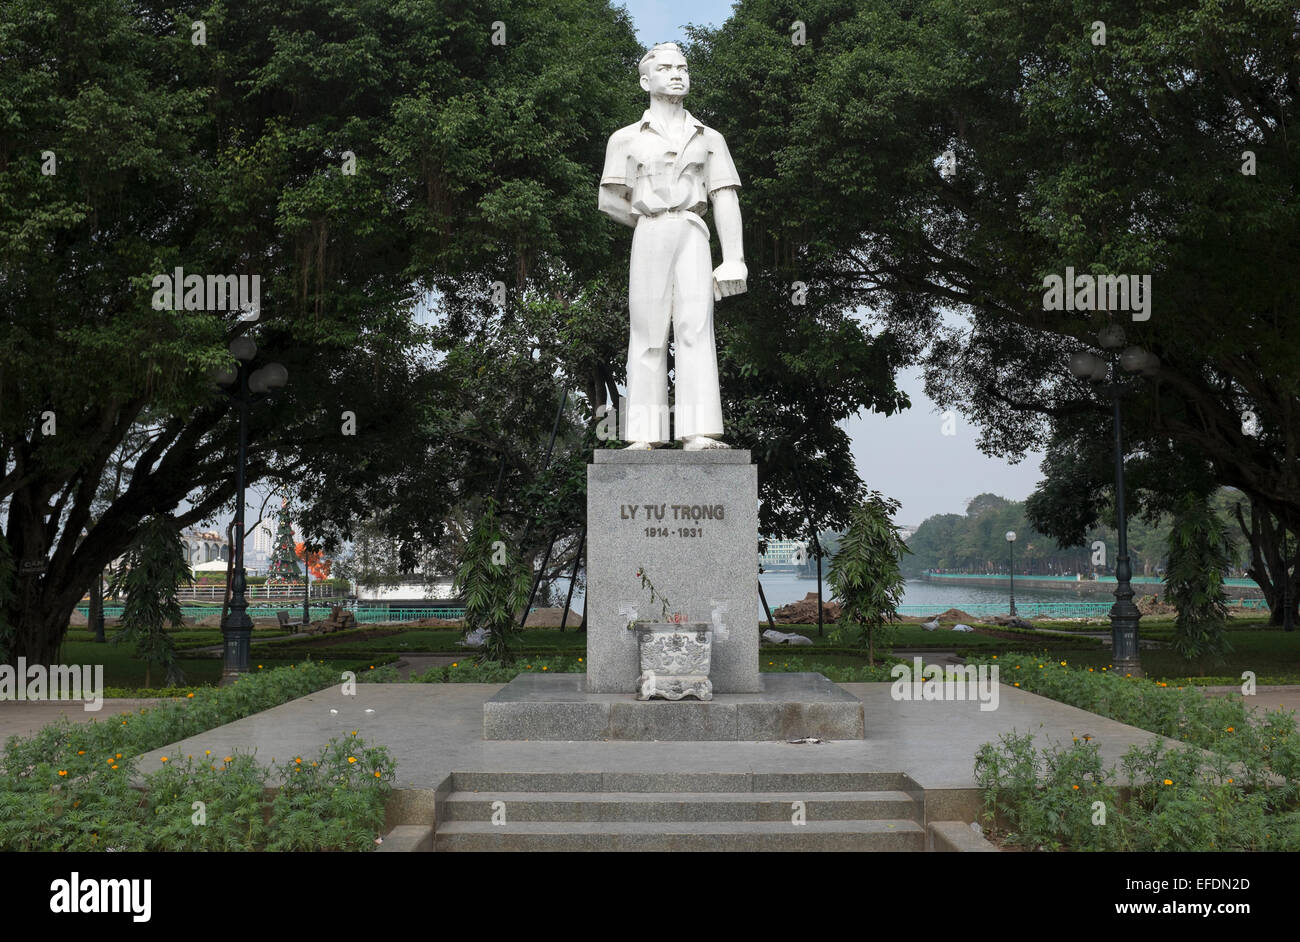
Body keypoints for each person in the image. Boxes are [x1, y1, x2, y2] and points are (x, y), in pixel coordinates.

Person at [598, 42, 747, 450]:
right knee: (647, 333)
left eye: (682, 67)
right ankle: (644, 435)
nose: (678, 74)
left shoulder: (709, 137)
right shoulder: (625, 139)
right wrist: (649, 220)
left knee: (696, 328)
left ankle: (698, 432)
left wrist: (734, 258)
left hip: (694, 232)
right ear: (647, 80)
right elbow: (610, 199)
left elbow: (725, 195)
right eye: (666, 68)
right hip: (649, 231)